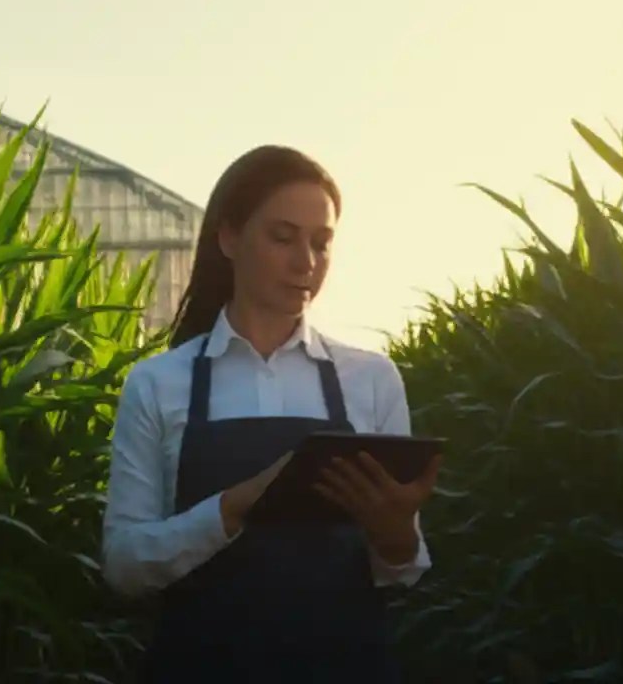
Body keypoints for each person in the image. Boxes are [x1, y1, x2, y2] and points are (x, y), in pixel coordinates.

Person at [100, 144, 441, 682]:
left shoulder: (371, 378)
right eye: (283, 238)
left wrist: (395, 530)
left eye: (322, 243)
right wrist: (233, 508)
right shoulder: (158, 383)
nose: (306, 262)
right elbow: (124, 564)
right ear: (229, 238)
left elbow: (400, 569)